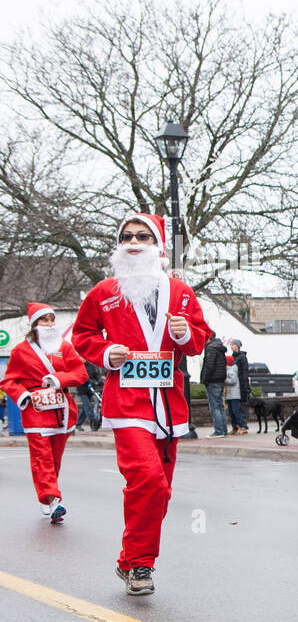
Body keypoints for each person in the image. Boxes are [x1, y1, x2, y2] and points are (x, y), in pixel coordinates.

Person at [71, 213, 211, 595]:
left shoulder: (181, 292)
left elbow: (200, 340)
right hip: (127, 401)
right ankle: (141, 565)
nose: (133, 243)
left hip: (169, 402)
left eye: (143, 237)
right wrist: (105, 351)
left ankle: (129, 559)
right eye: (127, 236)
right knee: (146, 479)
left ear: (158, 246)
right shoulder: (104, 291)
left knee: (160, 490)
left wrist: (185, 334)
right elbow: (82, 334)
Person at [0, 303, 88, 522]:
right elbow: (9, 380)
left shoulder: (65, 347)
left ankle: (46, 499)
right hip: (36, 411)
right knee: (42, 458)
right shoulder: (20, 350)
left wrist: (59, 379)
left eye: (51, 319)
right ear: (34, 324)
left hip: (62, 412)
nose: (49, 324)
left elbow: (80, 373)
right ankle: (54, 499)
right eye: (44, 320)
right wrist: (25, 395)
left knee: (54, 459)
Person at [200, 331, 228, 436]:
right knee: (220, 406)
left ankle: (219, 431)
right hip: (220, 380)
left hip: (212, 380)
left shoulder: (211, 348)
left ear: (208, 337)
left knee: (215, 406)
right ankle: (223, 430)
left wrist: (205, 378)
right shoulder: (219, 347)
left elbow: (209, 365)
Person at [229, 338, 251, 434]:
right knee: (233, 409)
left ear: (237, 346)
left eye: (233, 344)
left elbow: (245, 372)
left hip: (240, 385)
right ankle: (236, 426)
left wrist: (245, 386)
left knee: (240, 407)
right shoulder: (233, 357)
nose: (231, 346)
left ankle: (243, 425)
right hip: (234, 386)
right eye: (231, 344)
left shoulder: (242, 357)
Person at [224, 355, 244, 435]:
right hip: (229, 395)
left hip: (234, 395)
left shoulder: (231, 370)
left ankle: (242, 426)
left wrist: (224, 379)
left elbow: (233, 381)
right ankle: (234, 428)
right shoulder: (228, 370)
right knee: (231, 413)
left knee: (236, 412)